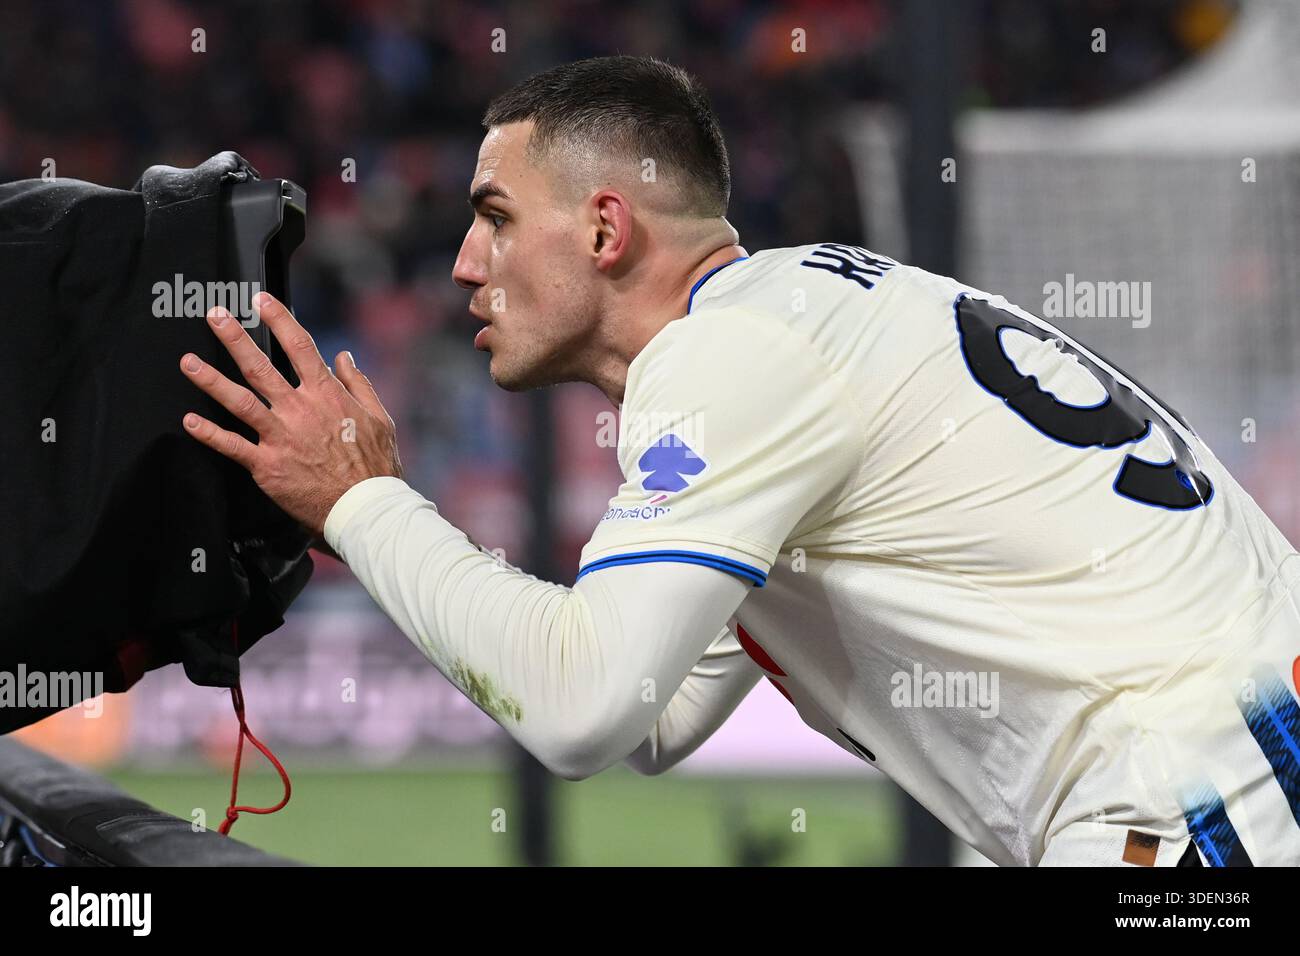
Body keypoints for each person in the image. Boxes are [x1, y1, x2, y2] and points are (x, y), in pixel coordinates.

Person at [179, 55, 1299, 866]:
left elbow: (581, 707)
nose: (465, 262)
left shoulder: (731, 355)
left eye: (496, 216)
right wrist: (366, 519)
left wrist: (368, 503)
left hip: (1199, 796)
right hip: (1228, 766)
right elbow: (650, 714)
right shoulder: (790, 320)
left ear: (607, 231)